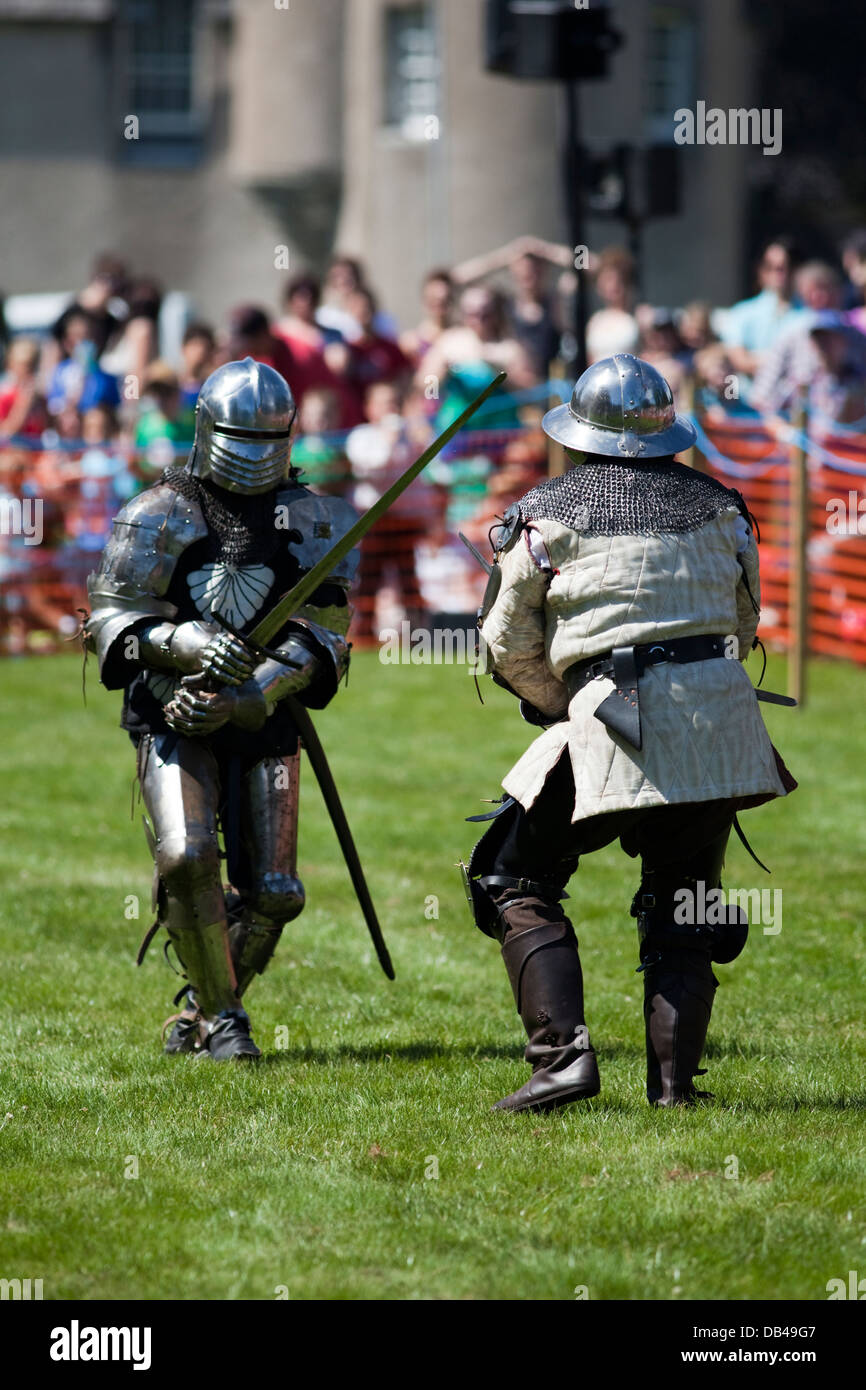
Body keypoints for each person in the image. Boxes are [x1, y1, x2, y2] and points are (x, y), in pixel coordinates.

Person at [462, 353, 795, 1113]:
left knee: (515, 878)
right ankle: (672, 1092)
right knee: (684, 903)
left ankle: (561, 1062)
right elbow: (744, 624)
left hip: (611, 717)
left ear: (579, 433)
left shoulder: (544, 513)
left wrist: (561, 704)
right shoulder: (721, 506)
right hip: (719, 723)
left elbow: (505, 644)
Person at [84, 357, 360, 1059]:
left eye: (268, 440)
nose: (252, 456)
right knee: (185, 854)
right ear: (207, 428)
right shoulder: (158, 511)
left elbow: (327, 629)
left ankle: (202, 1008)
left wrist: (256, 689)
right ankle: (227, 1021)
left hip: (266, 719)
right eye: (242, 436)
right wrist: (182, 642)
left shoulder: (312, 517)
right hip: (172, 712)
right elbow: (111, 620)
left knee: (275, 894)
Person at [719, 236, 804, 380]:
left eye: (784, 267)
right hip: (747, 399)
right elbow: (739, 361)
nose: (778, 274)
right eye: (770, 267)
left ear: (797, 269)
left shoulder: (809, 316)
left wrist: (757, 358)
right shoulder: (741, 312)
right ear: (761, 270)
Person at [508, 251, 561, 378]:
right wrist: (505, 256)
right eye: (523, 269)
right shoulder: (506, 306)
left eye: (534, 269)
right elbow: (458, 278)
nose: (528, 273)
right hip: (518, 384)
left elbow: (588, 266)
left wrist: (547, 250)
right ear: (514, 272)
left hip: (552, 385)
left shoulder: (556, 304)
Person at [586, 247, 640, 363]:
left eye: (618, 280)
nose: (613, 285)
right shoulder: (595, 320)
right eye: (608, 280)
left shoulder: (637, 317)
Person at [400, 268, 455, 365]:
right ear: (424, 300)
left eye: (445, 300)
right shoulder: (411, 343)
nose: (439, 306)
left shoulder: (463, 337)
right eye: (434, 300)